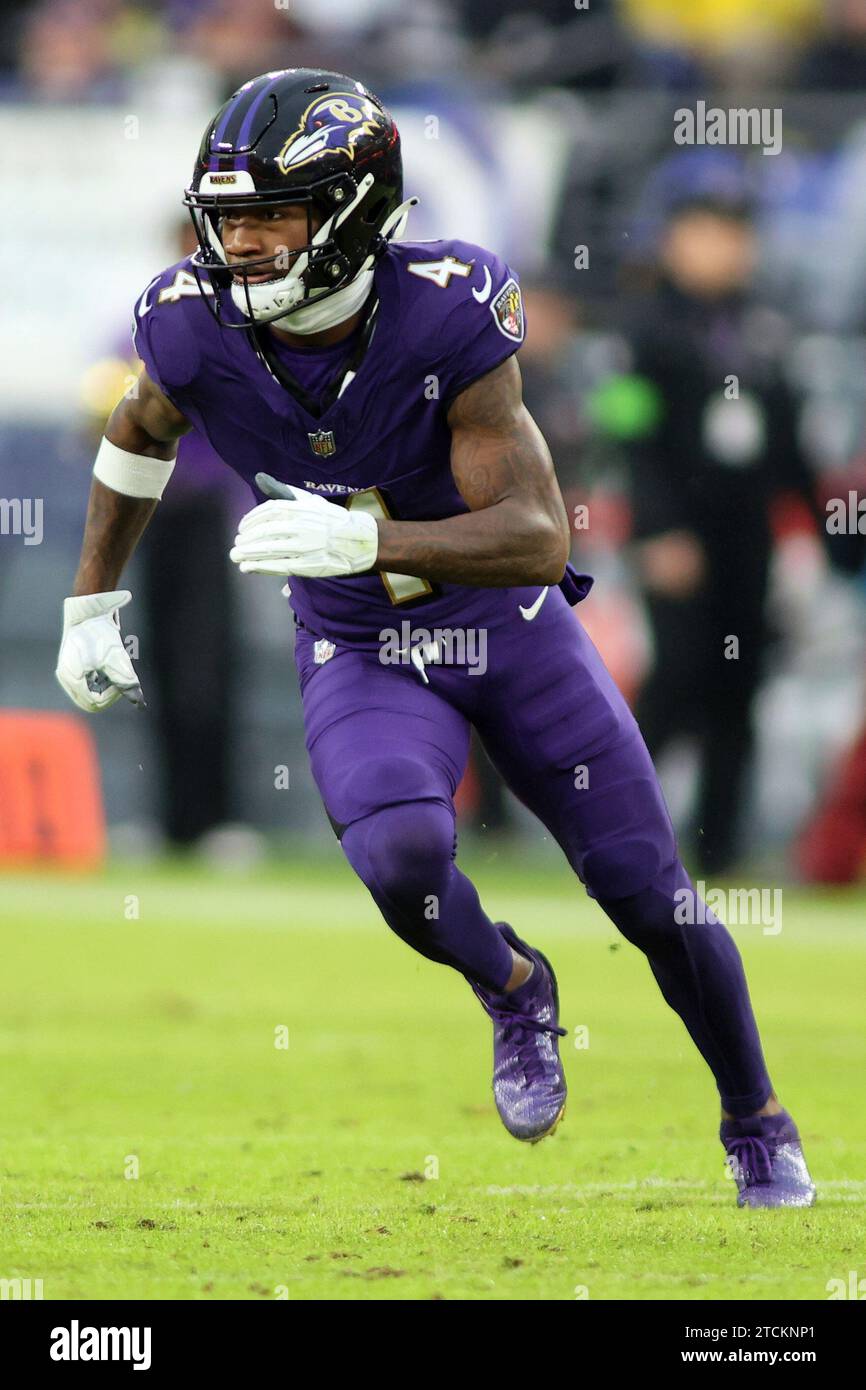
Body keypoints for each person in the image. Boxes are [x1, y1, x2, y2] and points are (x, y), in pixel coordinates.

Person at [55, 68, 814, 1207]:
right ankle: (513, 985)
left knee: (647, 894)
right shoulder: (187, 317)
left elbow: (526, 534)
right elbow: (136, 427)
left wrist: (371, 540)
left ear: (355, 210)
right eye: (232, 219)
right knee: (398, 856)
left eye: (273, 216)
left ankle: (755, 1115)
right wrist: (90, 599)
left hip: (502, 625)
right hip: (361, 642)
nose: (245, 245)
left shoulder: (447, 306)